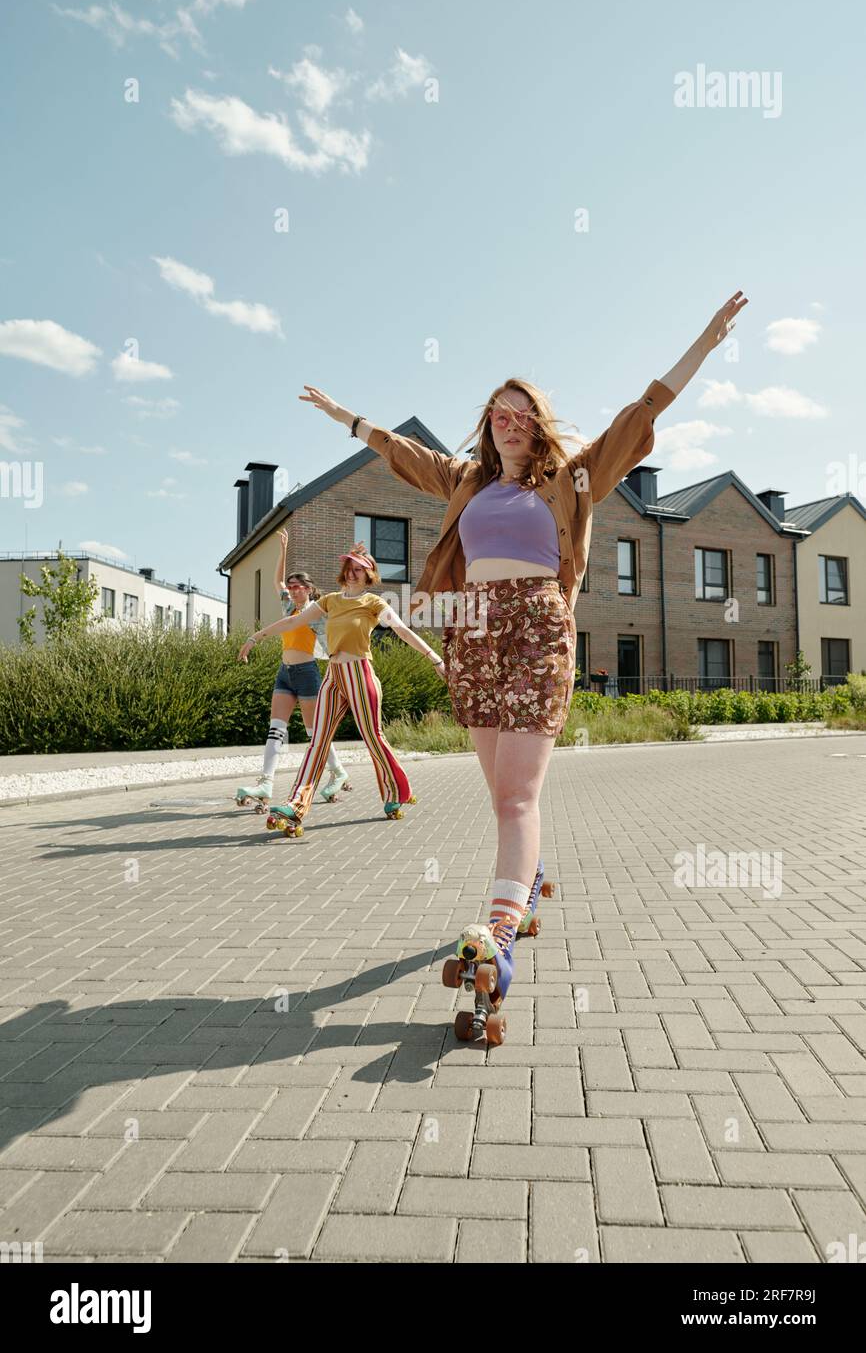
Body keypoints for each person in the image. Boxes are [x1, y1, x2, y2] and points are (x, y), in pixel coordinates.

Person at [297, 291, 749, 1042]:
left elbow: (642, 411)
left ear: (536, 423)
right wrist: (344, 416)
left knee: (515, 797)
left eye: (519, 412)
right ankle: (529, 884)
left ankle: (499, 938)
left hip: (539, 623)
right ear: (487, 425)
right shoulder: (467, 481)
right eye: (496, 413)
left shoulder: (572, 477)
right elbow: (401, 454)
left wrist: (704, 341)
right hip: (472, 629)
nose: (507, 422)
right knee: (499, 790)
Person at [238, 541, 446, 833]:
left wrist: (435, 659)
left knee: (373, 738)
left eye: (359, 570)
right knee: (317, 741)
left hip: (359, 673)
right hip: (333, 675)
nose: (352, 573)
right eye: (349, 568)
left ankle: (394, 793)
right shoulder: (330, 601)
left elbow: (402, 630)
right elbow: (294, 620)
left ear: (369, 575)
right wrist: (255, 637)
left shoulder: (375, 603)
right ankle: (296, 804)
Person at [235, 529, 348, 810]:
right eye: (292, 585)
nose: (294, 589)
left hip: (307, 673)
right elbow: (276, 581)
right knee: (276, 729)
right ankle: (266, 782)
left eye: (299, 586)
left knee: (313, 731)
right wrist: (283, 550)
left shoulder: (316, 612)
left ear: (309, 589)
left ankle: (337, 770)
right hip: (285, 673)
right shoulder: (288, 608)